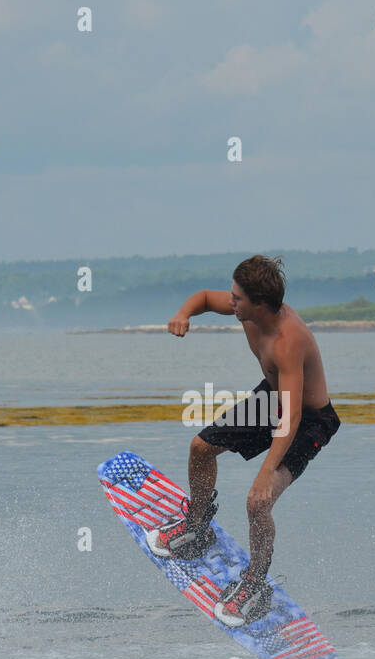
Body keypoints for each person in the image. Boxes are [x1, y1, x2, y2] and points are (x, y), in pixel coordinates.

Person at [145, 255, 341, 627]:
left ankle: (256, 584)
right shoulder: (249, 311)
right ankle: (197, 526)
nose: (229, 302)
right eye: (232, 296)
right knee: (200, 448)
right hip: (273, 399)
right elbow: (203, 297)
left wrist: (266, 474)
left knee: (257, 502)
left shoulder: (288, 340)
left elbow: (293, 416)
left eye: (237, 298)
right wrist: (183, 314)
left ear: (260, 305)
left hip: (310, 421)